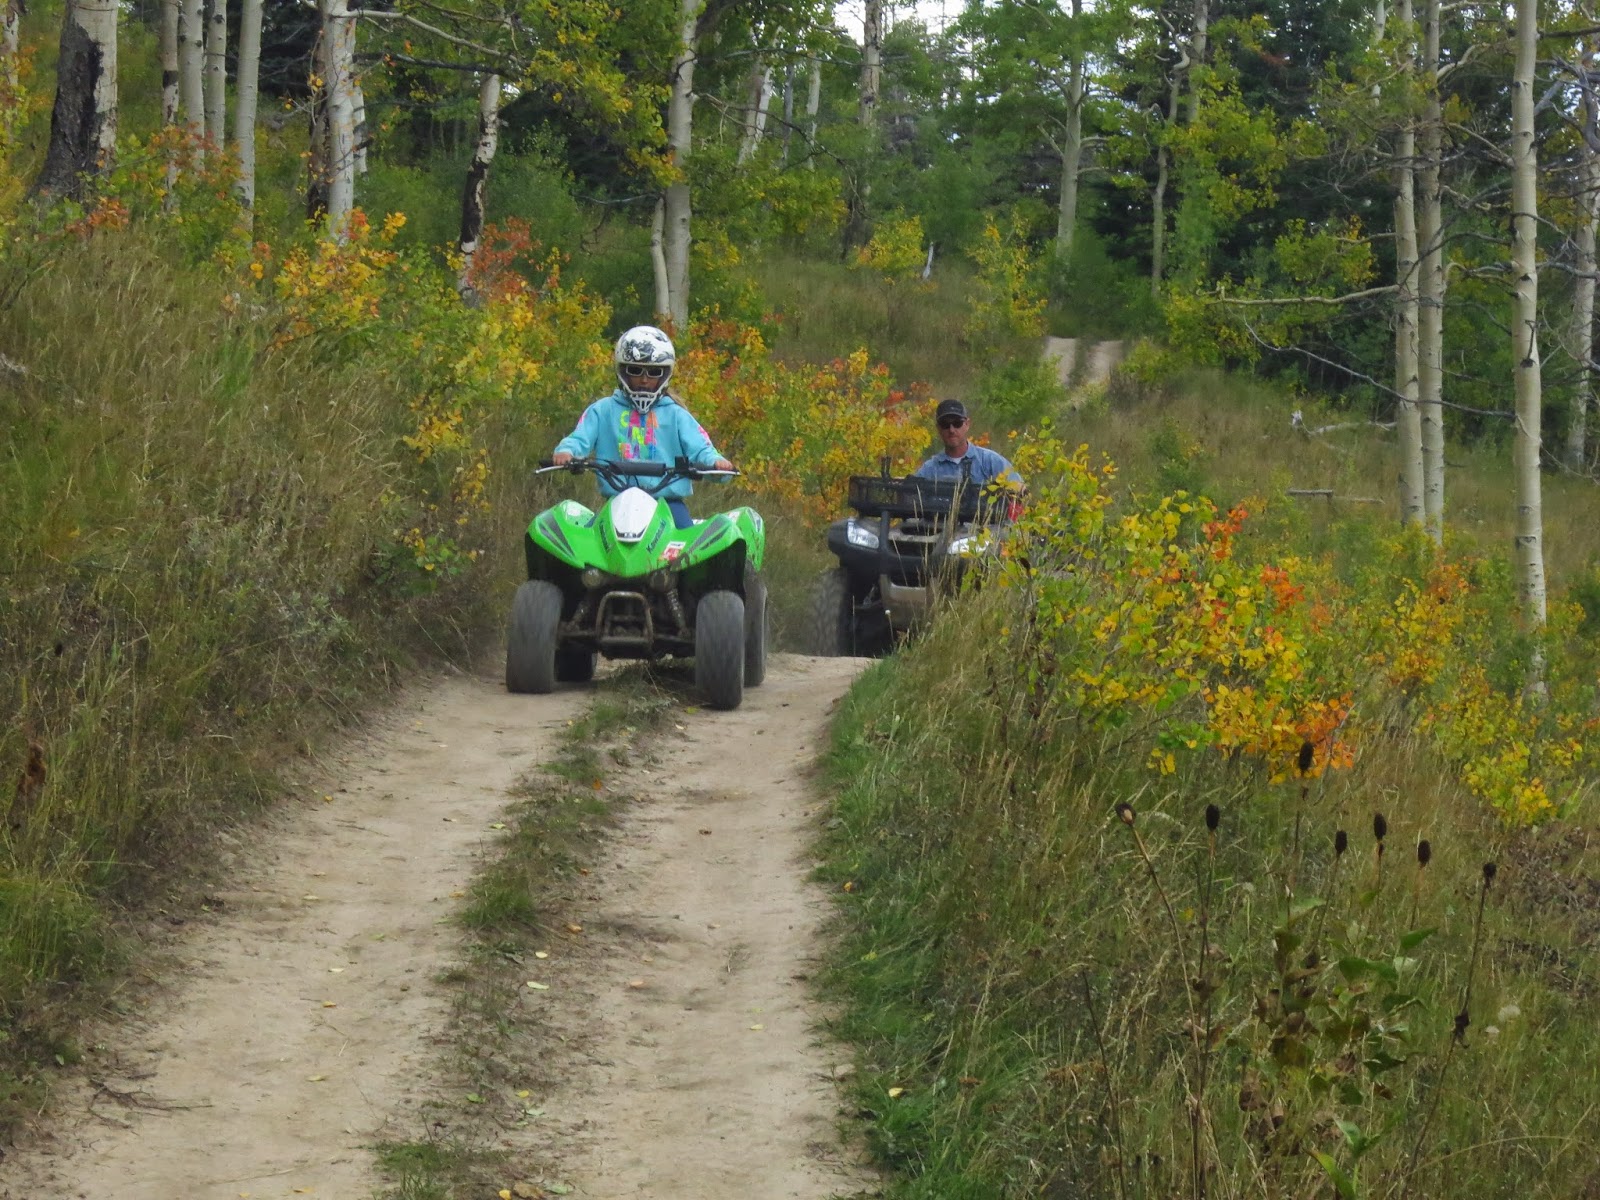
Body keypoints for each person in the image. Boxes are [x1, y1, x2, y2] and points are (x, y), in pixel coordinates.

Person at [552, 325, 733, 529]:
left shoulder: (677, 415)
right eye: (636, 370)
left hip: (668, 506)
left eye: (654, 372)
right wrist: (567, 451)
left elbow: (701, 448)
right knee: (582, 546)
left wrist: (716, 463)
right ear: (622, 371)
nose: (645, 379)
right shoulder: (603, 411)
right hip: (616, 506)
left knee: (690, 551)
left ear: (665, 375)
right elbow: (579, 438)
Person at [912, 398, 1024, 492]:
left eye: (957, 423)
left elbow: (1020, 489)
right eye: (945, 424)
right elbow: (910, 495)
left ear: (967, 424)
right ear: (938, 428)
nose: (951, 430)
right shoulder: (929, 469)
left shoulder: (989, 461)